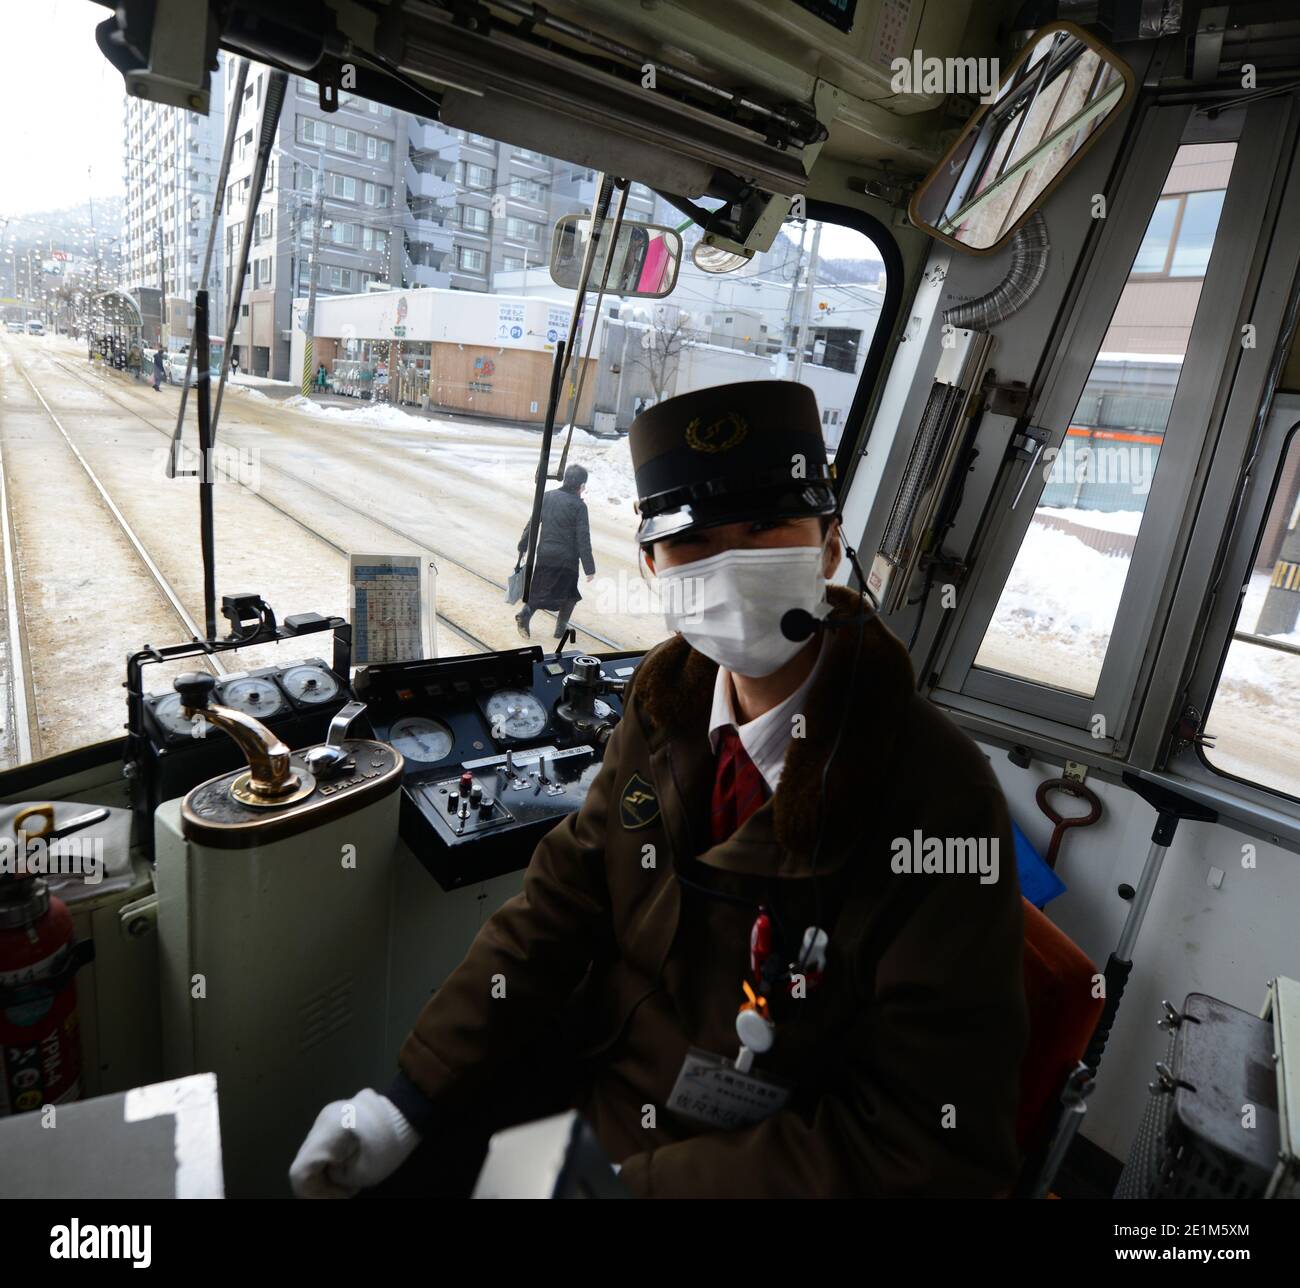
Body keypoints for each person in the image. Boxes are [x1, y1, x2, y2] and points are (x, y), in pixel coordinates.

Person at [290, 381, 1027, 1200]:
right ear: (653, 567)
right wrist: (409, 1096)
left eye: (763, 528)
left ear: (826, 547)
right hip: (588, 1090)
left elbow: (932, 1146)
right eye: (693, 542)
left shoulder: (937, 795)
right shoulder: (665, 704)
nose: (730, 567)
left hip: (745, 1163)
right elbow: (557, 909)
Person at [514, 463, 595, 642]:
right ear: (581, 485)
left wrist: (523, 545)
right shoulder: (579, 506)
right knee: (570, 595)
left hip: (545, 555)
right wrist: (589, 568)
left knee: (541, 589)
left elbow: (532, 523)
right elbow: (583, 538)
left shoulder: (547, 497)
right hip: (567, 561)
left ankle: (532, 617)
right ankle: (556, 627)